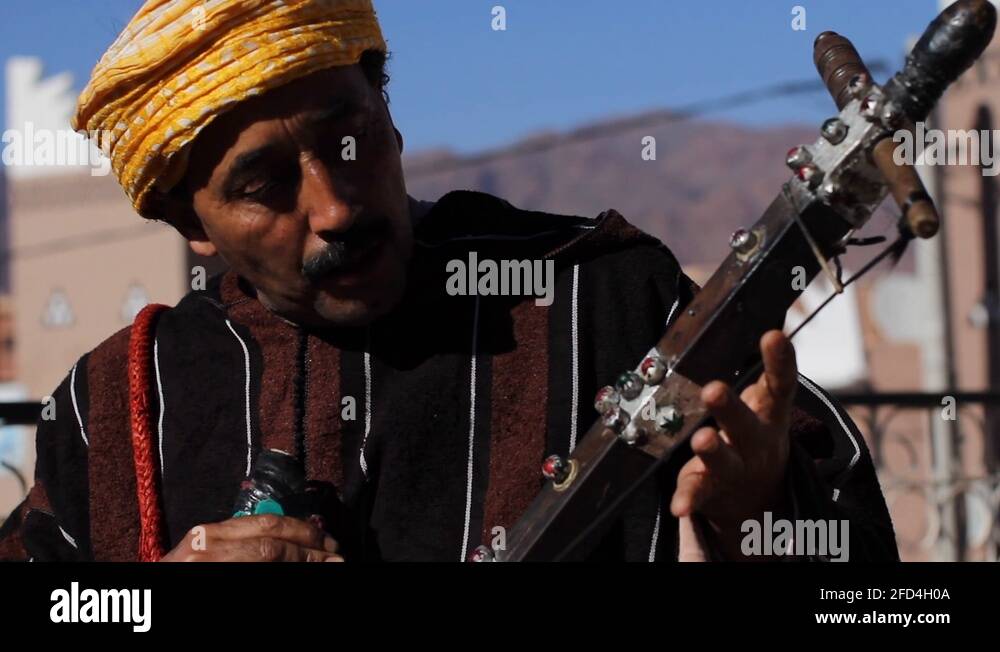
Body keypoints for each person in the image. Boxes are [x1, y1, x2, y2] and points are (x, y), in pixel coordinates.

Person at [0, 0, 897, 562]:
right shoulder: (116, 404)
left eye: (347, 138)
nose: (336, 209)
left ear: (388, 117)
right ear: (194, 227)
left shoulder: (605, 297)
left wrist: (763, 518)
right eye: (265, 184)